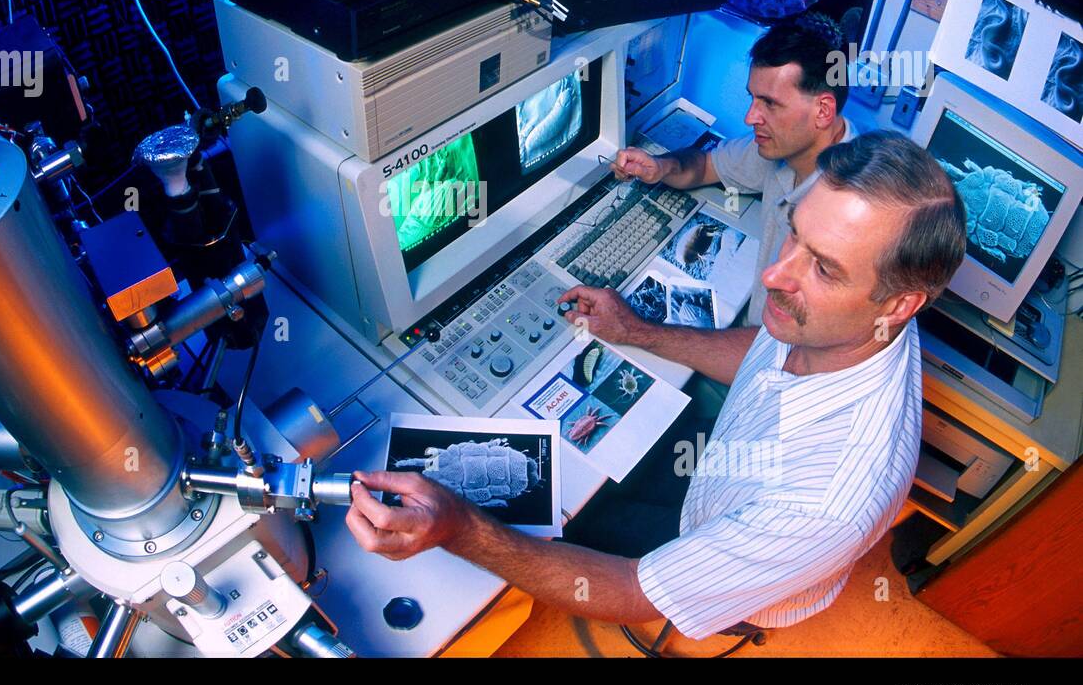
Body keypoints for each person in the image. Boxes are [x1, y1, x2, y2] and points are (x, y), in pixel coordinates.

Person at [346, 132, 966, 638]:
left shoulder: (824, 503)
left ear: (901, 302)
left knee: (553, 519)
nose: (776, 275)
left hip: (727, 564)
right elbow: (767, 346)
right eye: (795, 234)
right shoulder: (865, 324)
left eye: (823, 268)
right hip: (717, 478)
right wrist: (637, 331)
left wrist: (459, 528)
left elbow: (635, 592)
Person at [613, 22, 854, 326]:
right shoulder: (787, 146)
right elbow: (706, 165)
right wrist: (661, 166)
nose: (750, 117)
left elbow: (780, 346)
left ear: (822, 111)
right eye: (753, 98)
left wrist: (631, 328)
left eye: (769, 103)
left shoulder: (847, 215)